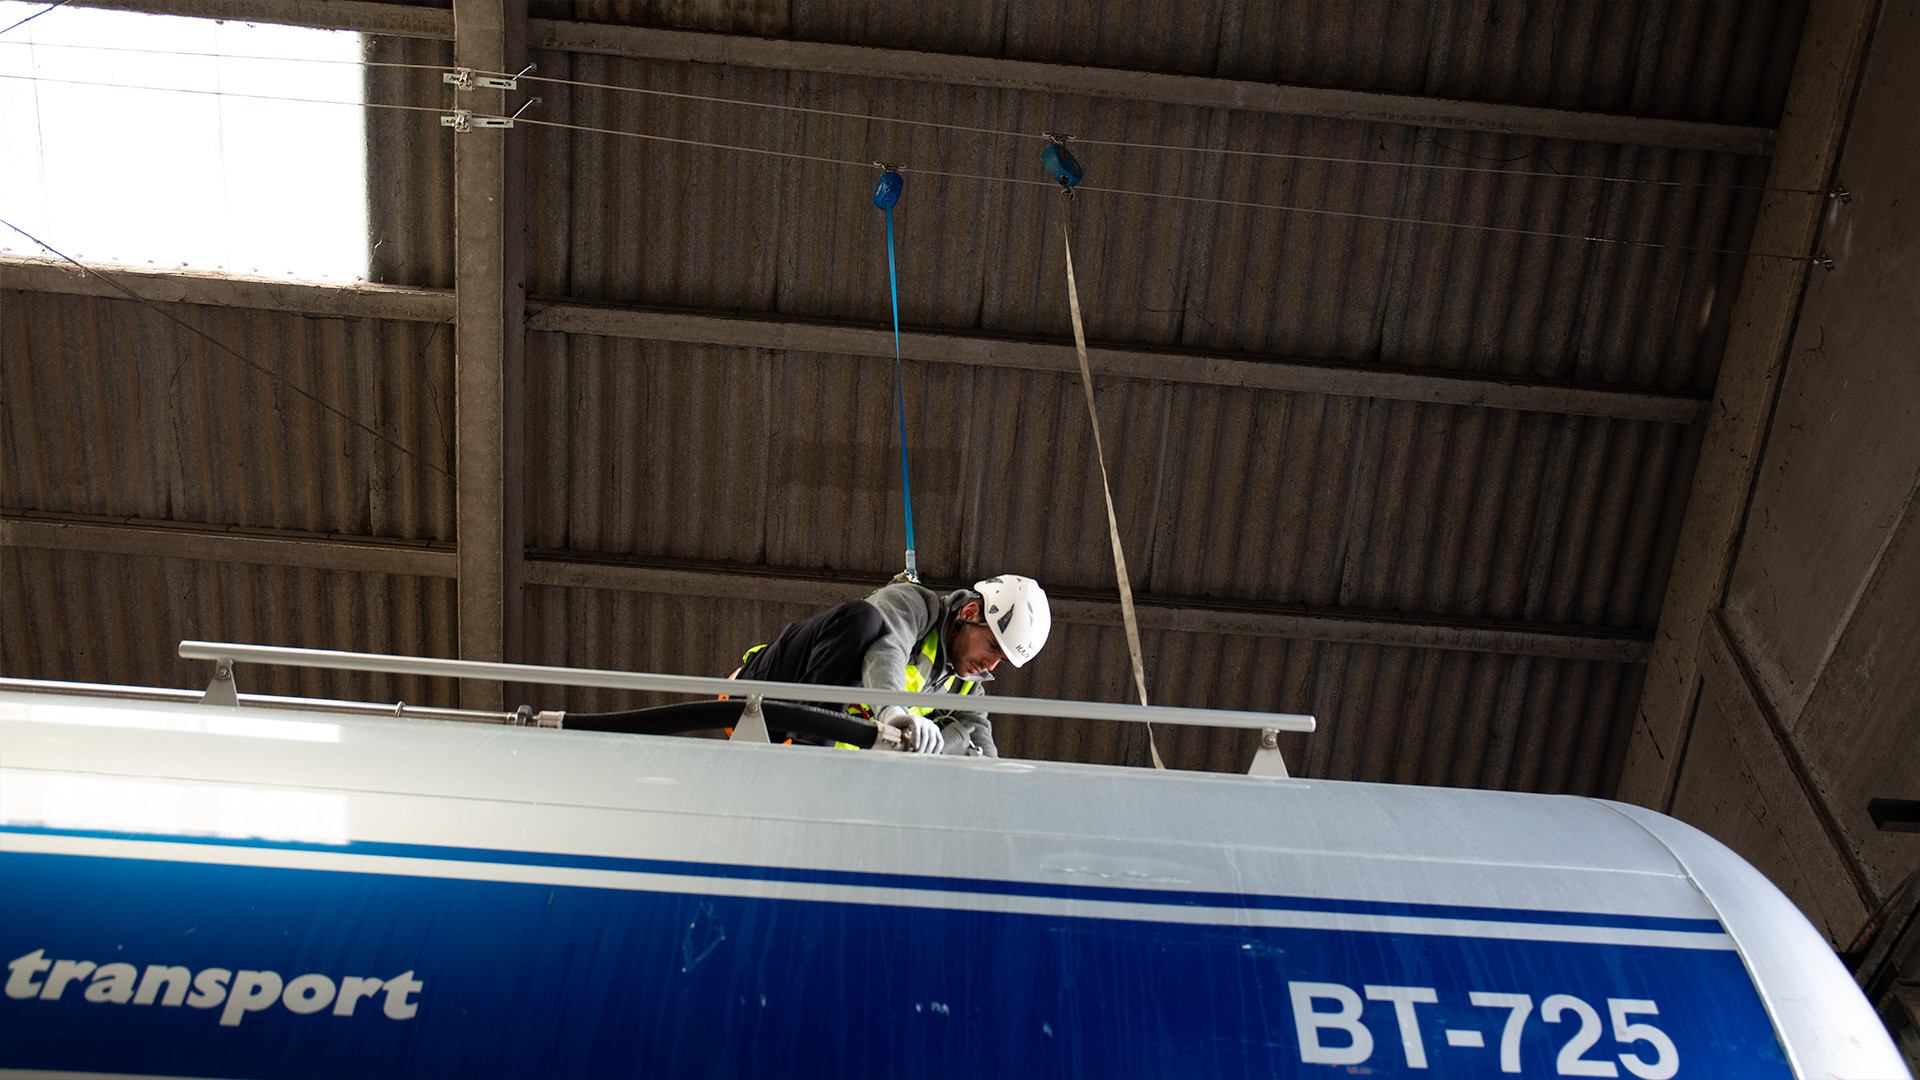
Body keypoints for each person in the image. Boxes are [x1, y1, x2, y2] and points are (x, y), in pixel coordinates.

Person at [733, 575, 1051, 756]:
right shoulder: (915, 607)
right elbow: (889, 648)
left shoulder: (964, 690)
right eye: (992, 646)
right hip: (769, 689)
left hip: (815, 749)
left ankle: (815, 755)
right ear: (969, 613)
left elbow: (982, 746)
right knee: (863, 618)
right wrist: (894, 711)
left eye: (1003, 660)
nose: (990, 664)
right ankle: (808, 745)